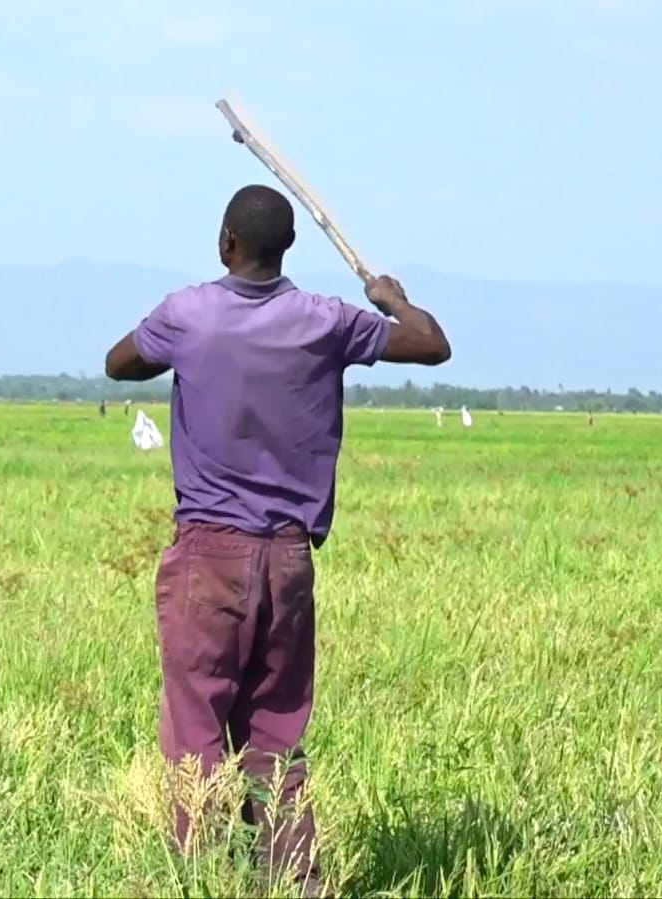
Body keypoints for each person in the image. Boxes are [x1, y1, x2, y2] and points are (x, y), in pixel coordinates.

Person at [103, 184, 451, 893]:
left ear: (226, 243)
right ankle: (296, 879)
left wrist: (176, 337)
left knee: (197, 728)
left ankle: (203, 879)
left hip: (206, 553)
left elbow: (119, 362)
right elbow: (430, 344)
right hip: (288, 558)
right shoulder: (325, 320)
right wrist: (389, 296)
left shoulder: (188, 313)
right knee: (274, 735)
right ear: (286, 248)